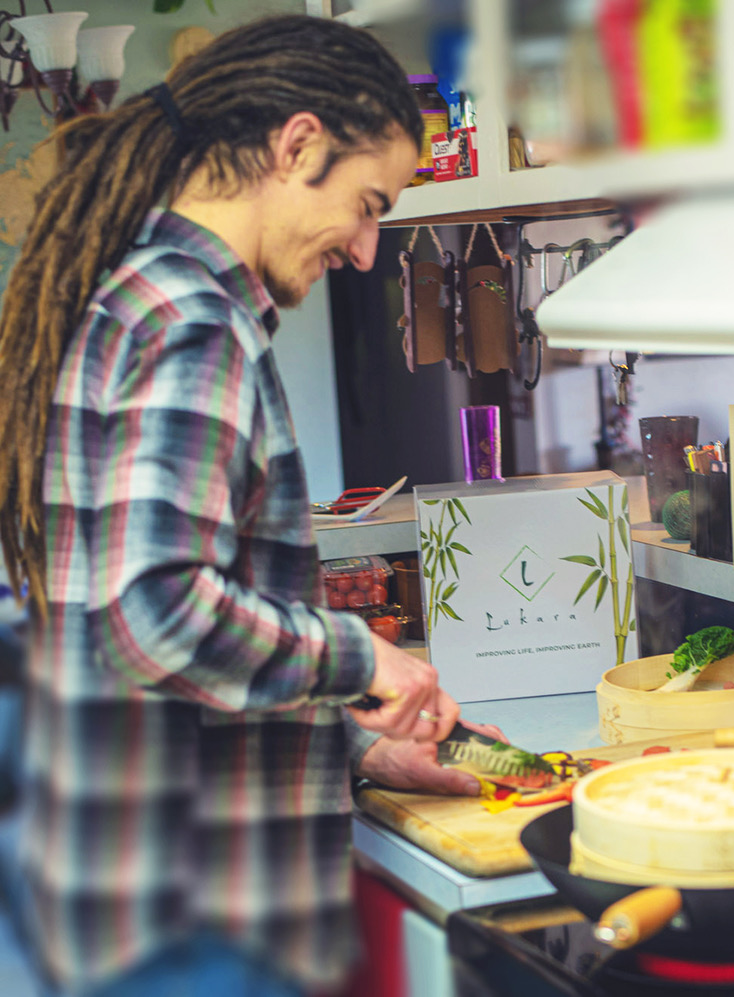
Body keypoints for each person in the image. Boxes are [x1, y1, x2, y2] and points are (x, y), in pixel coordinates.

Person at [0, 14, 493, 997]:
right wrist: (365, 658)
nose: (362, 251)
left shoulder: (136, 288)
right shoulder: (195, 319)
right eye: (364, 204)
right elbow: (154, 612)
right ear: (296, 144)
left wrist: (356, 748)